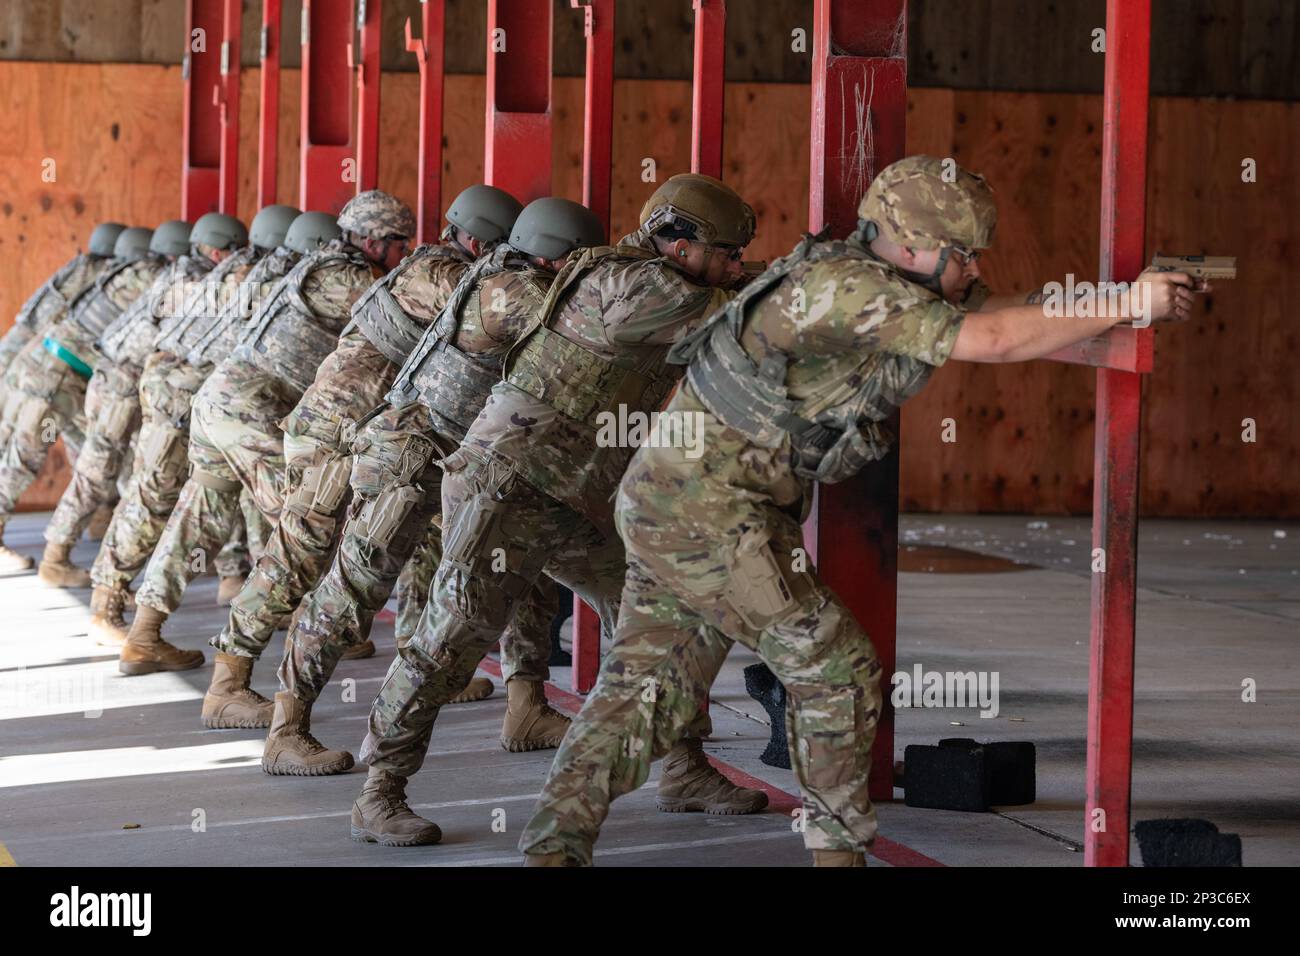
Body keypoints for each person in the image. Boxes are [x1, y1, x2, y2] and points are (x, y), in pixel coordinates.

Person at [518, 154, 1201, 867]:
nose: (972, 269)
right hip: (708, 513)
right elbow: (989, 341)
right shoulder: (848, 288)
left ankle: (551, 850)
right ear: (911, 246)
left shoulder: (883, 278)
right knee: (835, 672)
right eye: (963, 254)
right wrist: (1128, 306)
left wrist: (1127, 295)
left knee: (637, 696)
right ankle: (838, 855)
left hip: (674, 503)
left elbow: (1003, 310)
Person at [352, 174, 772, 848]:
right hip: (510, 485)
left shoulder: (665, 283)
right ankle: (380, 790)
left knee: (664, 612)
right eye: (726, 252)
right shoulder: (633, 288)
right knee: (452, 636)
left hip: (576, 492)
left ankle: (683, 768)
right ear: (674, 240)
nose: (737, 265)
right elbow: (748, 318)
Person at [199, 185, 521, 735]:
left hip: (369, 434)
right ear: (475, 240)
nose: (400, 250)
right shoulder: (438, 274)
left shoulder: (424, 268)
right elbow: (502, 307)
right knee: (301, 553)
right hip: (334, 434)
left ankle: (417, 655)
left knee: (426, 536)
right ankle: (228, 682)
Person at [118, 191, 412, 691]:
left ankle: (145, 632)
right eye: (399, 243)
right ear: (372, 240)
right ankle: (308, 638)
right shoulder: (348, 278)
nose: (405, 253)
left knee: (198, 518)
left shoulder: (313, 265)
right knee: (305, 525)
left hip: (221, 402)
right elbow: (409, 337)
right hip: (250, 406)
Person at [86, 207, 305, 645]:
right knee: (155, 496)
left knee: (220, 497)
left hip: (190, 389)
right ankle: (107, 602)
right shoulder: (260, 279)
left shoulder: (232, 274)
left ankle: (255, 592)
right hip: (186, 391)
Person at [36, 219, 200, 587]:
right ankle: (56, 556)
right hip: (120, 384)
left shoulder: (158, 275)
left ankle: (109, 546)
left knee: (118, 466)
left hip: (108, 377)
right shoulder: (177, 280)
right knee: (98, 470)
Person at [0, 226, 162, 571]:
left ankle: (101, 520)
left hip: (57, 372)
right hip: (59, 378)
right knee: (25, 456)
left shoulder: (98, 272)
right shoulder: (142, 278)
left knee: (93, 454)